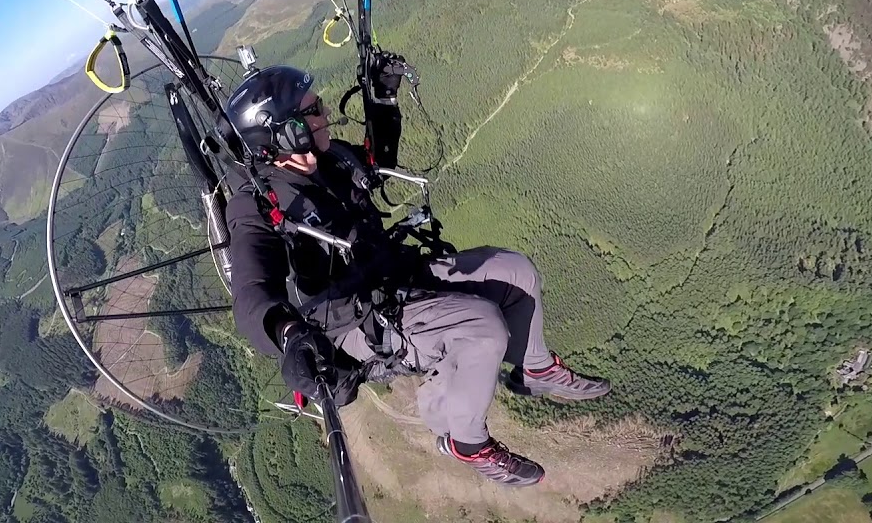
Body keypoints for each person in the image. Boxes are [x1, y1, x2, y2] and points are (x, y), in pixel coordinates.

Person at [221, 63, 611, 487]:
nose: (326, 110)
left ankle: (533, 369)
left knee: (515, 272)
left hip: (391, 273)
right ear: (288, 132)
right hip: (355, 323)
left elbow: (375, 162)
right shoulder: (255, 206)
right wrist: (289, 335)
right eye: (314, 109)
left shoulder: (327, 161)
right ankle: (465, 440)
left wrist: (385, 99)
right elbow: (251, 293)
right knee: (482, 328)